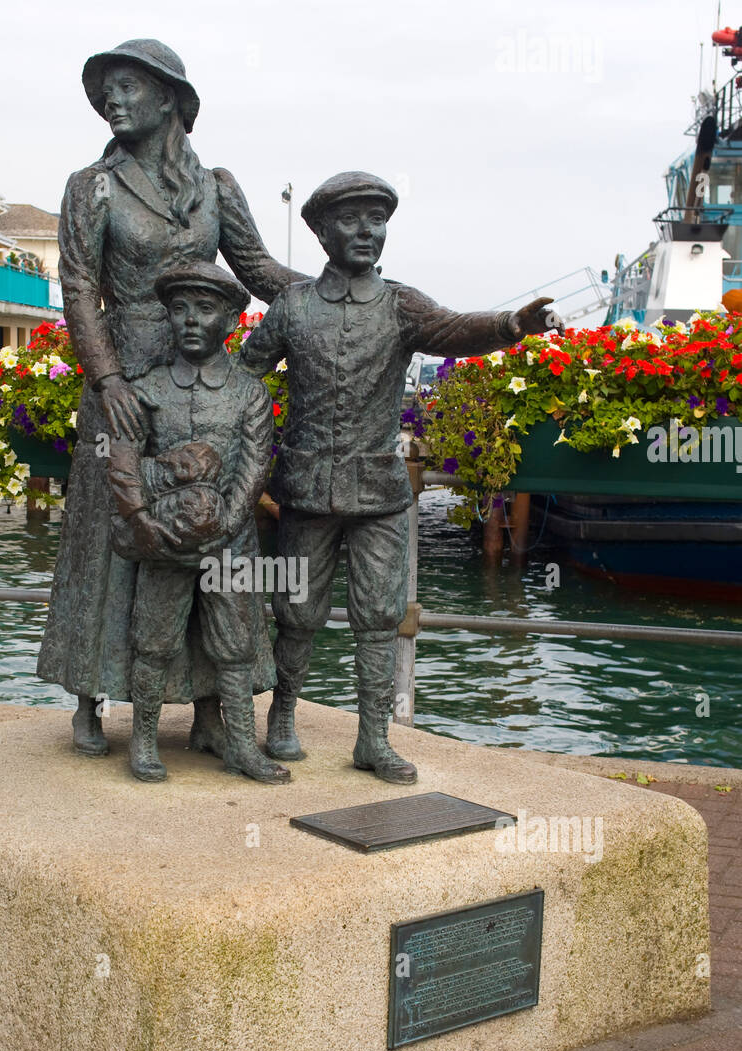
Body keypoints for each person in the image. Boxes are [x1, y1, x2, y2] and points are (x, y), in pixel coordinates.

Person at [242, 171, 563, 783]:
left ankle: (373, 738)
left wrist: (510, 326)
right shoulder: (293, 307)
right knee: (296, 611)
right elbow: (244, 376)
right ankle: (281, 717)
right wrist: (248, 461)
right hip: (306, 491)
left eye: (377, 219)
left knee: (380, 616)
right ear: (320, 230)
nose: (367, 231)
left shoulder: (401, 304)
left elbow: (454, 330)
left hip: (381, 494)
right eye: (351, 219)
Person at [36, 39, 303, 757]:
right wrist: (107, 379)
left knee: (210, 525)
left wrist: (328, 291)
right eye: (104, 92)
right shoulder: (91, 185)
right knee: (110, 530)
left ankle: (213, 702)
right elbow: (77, 289)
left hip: (203, 375)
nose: (111, 101)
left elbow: (256, 268)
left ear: (168, 98)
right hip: (124, 377)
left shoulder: (215, 185)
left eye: (126, 87)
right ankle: (90, 693)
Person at [108, 261, 289, 785]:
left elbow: (256, 464)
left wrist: (227, 523)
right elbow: (122, 460)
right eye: (180, 308)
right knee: (154, 641)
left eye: (205, 309)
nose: (190, 320)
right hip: (162, 541)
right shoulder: (146, 388)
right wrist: (143, 521)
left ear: (230, 320)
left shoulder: (249, 394)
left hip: (230, 543)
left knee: (236, 645)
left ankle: (239, 745)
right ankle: (143, 741)